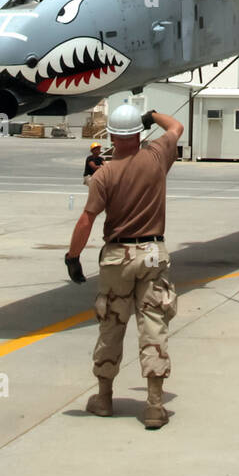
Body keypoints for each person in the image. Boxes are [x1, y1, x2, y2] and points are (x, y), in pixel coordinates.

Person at [64, 101, 182, 429]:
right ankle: (155, 406)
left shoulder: (104, 174)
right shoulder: (157, 156)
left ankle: (103, 398)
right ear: (140, 133)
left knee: (111, 326)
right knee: (154, 325)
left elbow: (87, 219)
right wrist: (152, 114)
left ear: (113, 135)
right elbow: (175, 127)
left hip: (117, 258)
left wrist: (72, 257)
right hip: (152, 254)